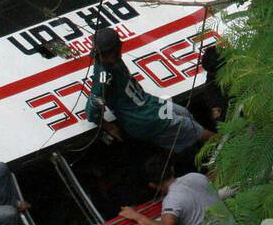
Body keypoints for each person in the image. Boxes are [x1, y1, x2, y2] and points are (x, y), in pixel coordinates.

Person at [85, 27, 211, 155]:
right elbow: (92, 108)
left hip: (149, 103)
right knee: (195, 129)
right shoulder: (104, 78)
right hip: (144, 118)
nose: (111, 56)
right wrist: (108, 126)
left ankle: (196, 152)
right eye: (107, 55)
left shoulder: (115, 59)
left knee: (184, 113)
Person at [119, 158, 248, 225]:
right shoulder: (197, 177)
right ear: (172, 169)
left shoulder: (171, 200)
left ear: (152, 185)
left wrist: (136, 216)